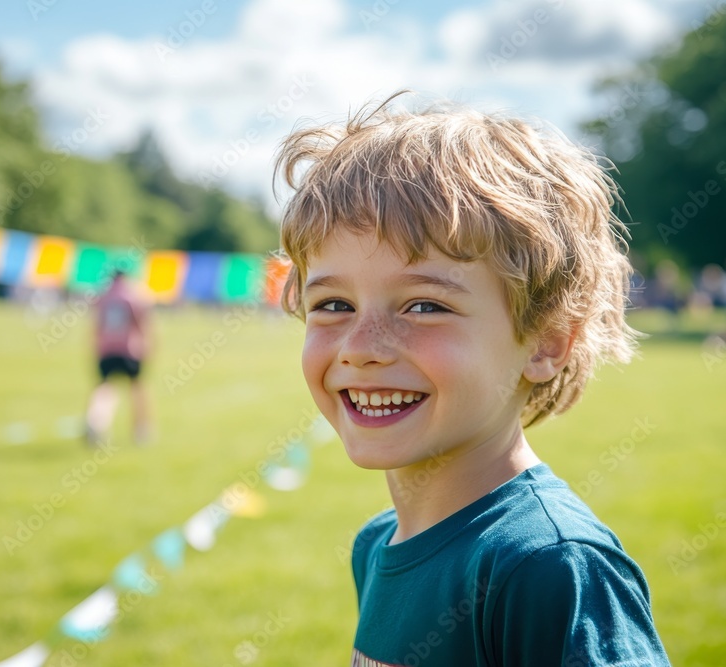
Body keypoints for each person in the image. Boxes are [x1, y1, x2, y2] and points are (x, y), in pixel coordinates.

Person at [275, 94, 670, 665]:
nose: (360, 348)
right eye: (334, 304)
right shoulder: (376, 545)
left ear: (545, 342)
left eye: (424, 306)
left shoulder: (546, 565)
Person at [84, 269, 154, 446]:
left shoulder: (104, 297)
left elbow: (97, 325)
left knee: (105, 388)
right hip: (128, 349)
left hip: (106, 349)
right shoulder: (132, 296)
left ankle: (96, 421)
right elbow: (140, 323)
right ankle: (141, 430)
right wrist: (147, 344)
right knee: (137, 389)